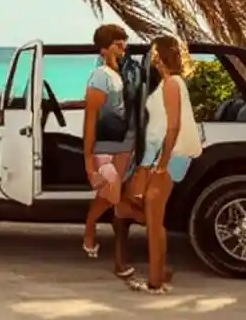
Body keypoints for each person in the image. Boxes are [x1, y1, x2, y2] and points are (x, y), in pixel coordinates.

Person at [119, 35, 204, 294]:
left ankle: (156, 281)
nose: (151, 57)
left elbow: (174, 125)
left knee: (154, 217)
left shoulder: (172, 84)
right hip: (157, 156)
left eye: (155, 52)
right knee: (126, 205)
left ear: (163, 55)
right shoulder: (167, 82)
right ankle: (161, 270)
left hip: (170, 156)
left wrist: (162, 164)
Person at [80, 23, 137, 279]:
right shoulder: (100, 75)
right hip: (105, 145)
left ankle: (119, 256)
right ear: (104, 49)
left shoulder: (120, 73)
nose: (123, 46)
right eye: (117, 43)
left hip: (124, 144)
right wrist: (88, 161)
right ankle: (89, 228)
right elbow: (90, 118)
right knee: (110, 192)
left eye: (124, 41)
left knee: (114, 194)